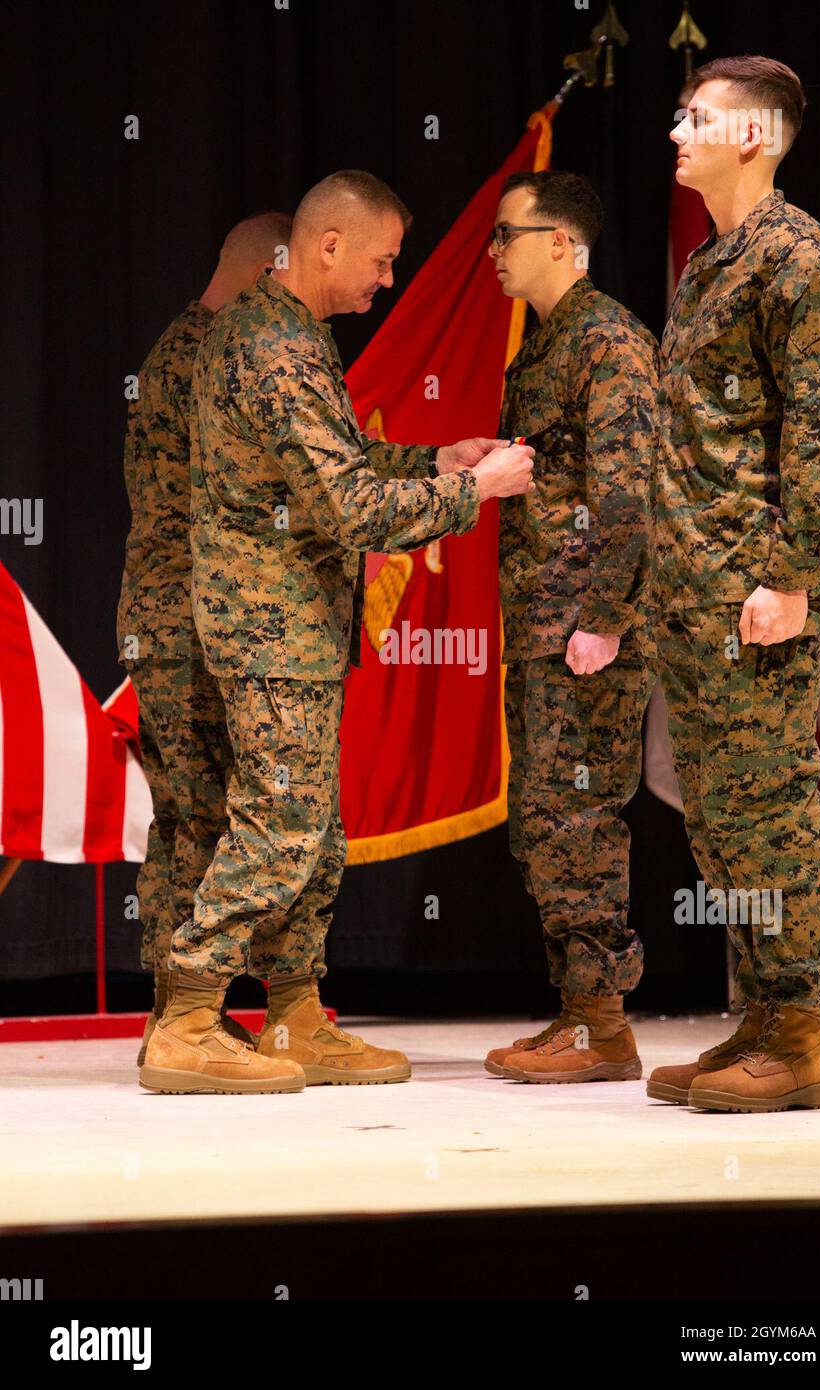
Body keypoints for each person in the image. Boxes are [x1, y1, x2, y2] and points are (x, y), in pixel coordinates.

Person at [140, 170, 535, 1095]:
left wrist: (435, 459)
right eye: (382, 259)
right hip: (268, 625)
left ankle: (295, 1017)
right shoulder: (272, 349)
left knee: (314, 829)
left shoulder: (291, 338)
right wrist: (472, 492)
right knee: (279, 820)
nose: (388, 281)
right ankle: (189, 1015)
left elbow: (336, 463)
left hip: (297, 626)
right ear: (327, 246)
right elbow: (350, 507)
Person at [647, 56, 820, 1113]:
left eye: (695, 118)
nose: (675, 133)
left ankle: (801, 1035)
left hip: (752, 590)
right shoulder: (707, 264)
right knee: (722, 818)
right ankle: (762, 1017)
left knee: (771, 804)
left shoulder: (801, 262)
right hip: (691, 594)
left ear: (753, 136)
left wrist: (789, 582)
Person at [483, 170, 657, 1084]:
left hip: (583, 632)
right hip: (545, 625)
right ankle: (579, 1012)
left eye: (507, 236)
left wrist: (608, 620)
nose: (494, 254)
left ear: (561, 242)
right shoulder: (547, 347)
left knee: (576, 818)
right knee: (545, 821)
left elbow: (633, 497)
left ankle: (601, 1024)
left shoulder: (608, 342)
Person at [117, 211, 295, 1067]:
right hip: (186, 612)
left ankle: (174, 1012)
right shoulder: (206, 357)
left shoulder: (177, 348)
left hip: (168, 612)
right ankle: (187, 1020)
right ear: (270, 270)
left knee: (186, 820)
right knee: (200, 816)